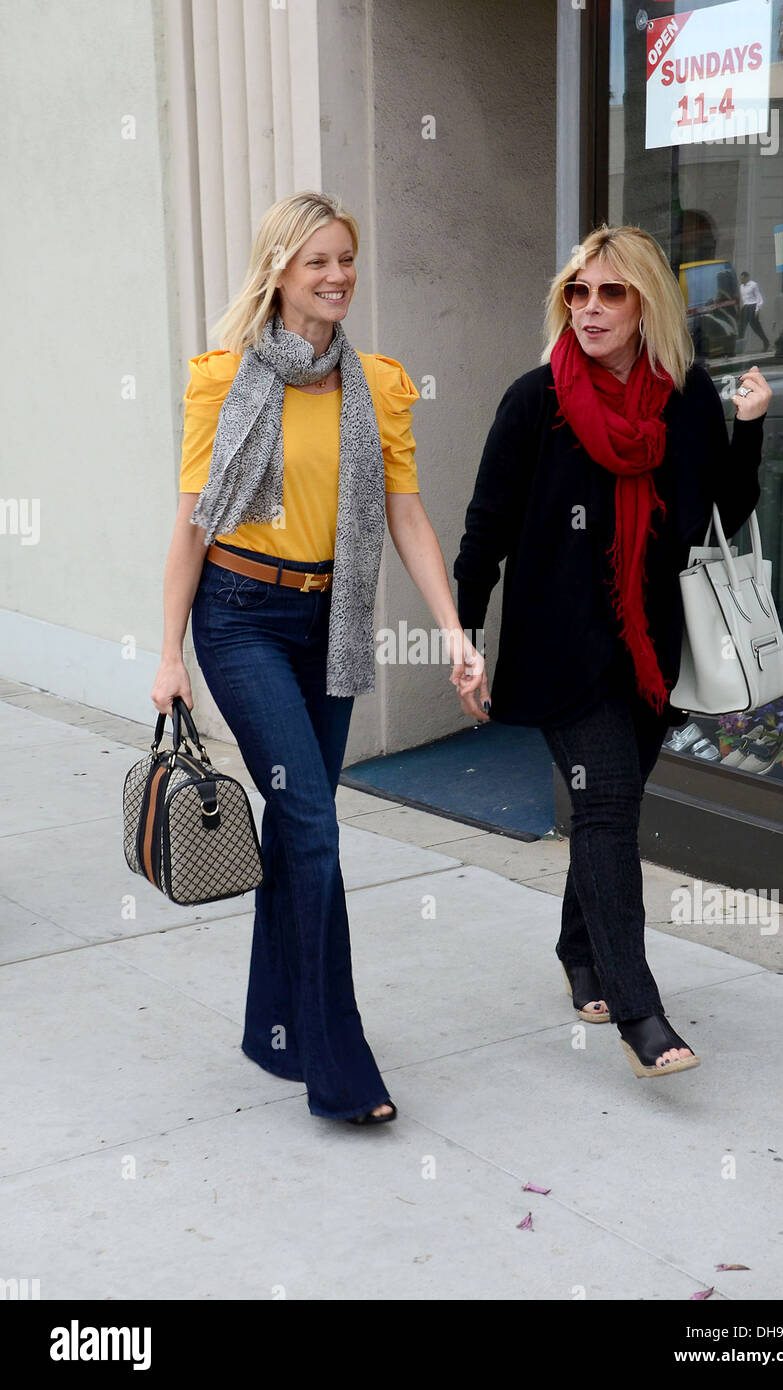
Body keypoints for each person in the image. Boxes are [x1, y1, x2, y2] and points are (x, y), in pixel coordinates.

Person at [150, 191, 484, 1125]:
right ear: (279, 271)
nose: (338, 276)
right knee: (310, 822)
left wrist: (453, 629)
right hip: (239, 618)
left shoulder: (377, 383)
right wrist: (168, 654)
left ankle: (275, 1031)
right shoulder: (223, 379)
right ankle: (338, 1065)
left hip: (329, 622)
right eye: (317, 262)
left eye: (345, 258)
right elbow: (191, 524)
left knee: (300, 825)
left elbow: (406, 514)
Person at [454, 224, 771, 1078]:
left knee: (611, 808)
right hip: (560, 649)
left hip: (651, 648)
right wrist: (464, 635)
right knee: (603, 810)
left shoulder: (684, 397)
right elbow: (486, 528)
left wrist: (748, 428)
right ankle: (641, 1014)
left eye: (609, 293)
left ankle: (578, 951)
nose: (588, 309)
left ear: (645, 305)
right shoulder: (535, 400)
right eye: (577, 292)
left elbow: (722, 513)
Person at [739, 271, 770, 350]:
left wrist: (757, 309)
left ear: (747, 278)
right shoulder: (741, 286)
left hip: (753, 306)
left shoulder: (753, 285)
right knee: (741, 327)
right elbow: (744, 298)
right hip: (745, 307)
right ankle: (739, 347)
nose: (741, 280)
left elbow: (759, 298)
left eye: (743, 279)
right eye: (741, 279)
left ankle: (766, 342)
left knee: (755, 327)